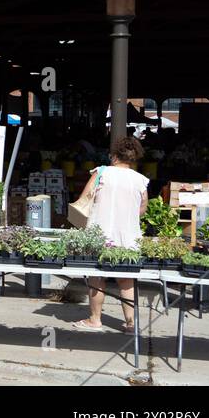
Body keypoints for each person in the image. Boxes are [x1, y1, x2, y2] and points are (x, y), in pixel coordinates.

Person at [72, 136, 149, 332]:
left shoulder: (101, 173)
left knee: (97, 278)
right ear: (134, 158)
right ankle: (130, 323)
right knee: (126, 279)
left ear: (114, 155)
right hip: (128, 236)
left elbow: (84, 199)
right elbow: (142, 210)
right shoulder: (140, 180)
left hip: (100, 233)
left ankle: (95, 320)